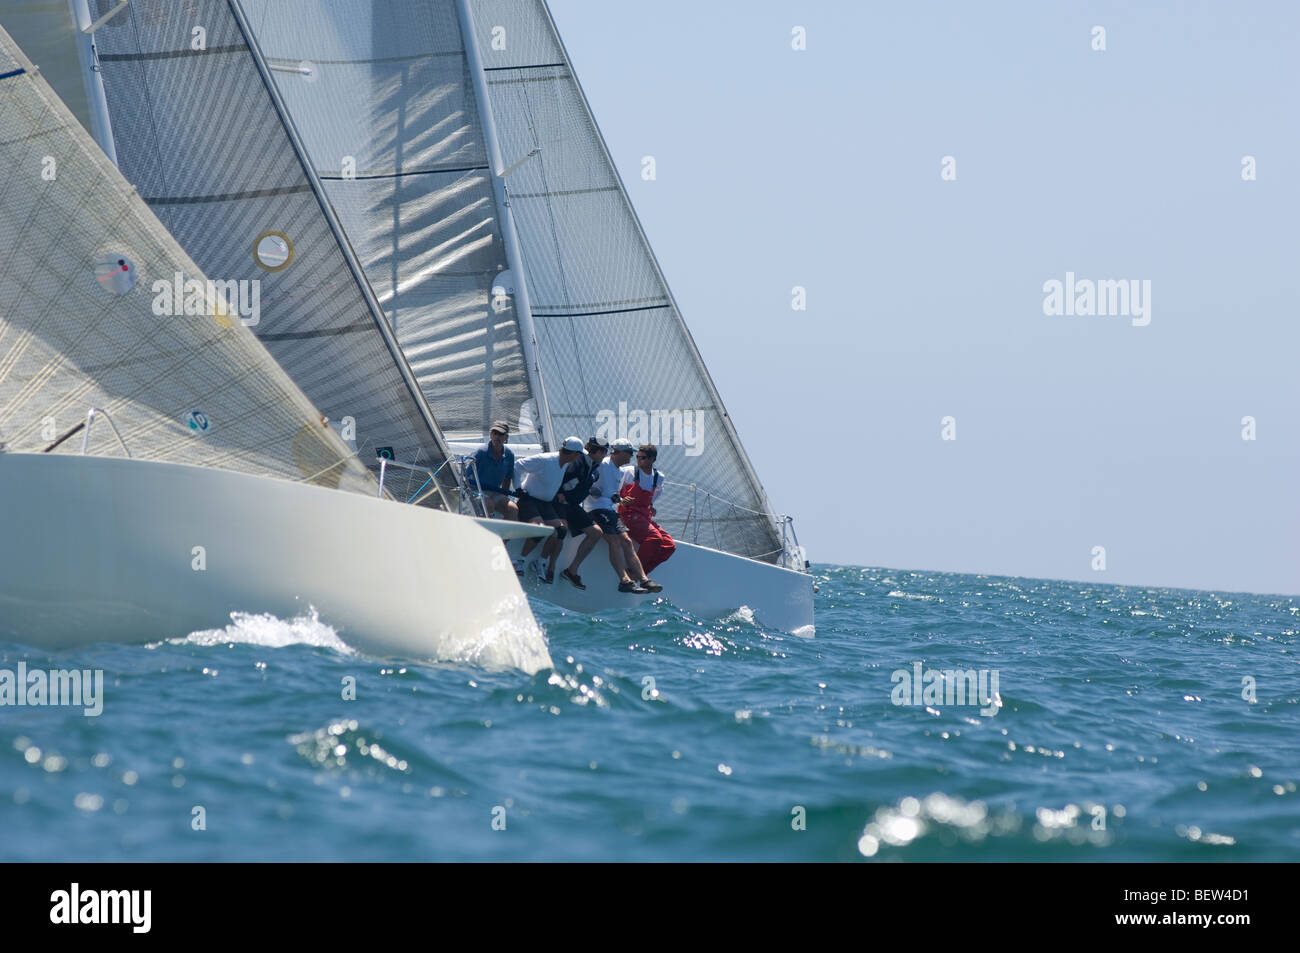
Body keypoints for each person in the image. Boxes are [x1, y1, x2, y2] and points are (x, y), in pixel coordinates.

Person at [561, 438, 662, 593]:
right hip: (596, 509)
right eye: (629, 453)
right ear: (618, 452)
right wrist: (593, 491)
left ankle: (644, 580)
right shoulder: (603, 464)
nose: (631, 458)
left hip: (608, 510)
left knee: (627, 542)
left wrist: (620, 499)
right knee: (614, 540)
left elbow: (612, 493)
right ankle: (624, 580)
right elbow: (589, 482)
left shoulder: (618, 471)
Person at [513, 436, 584, 583]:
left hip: (545, 504)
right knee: (539, 529)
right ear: (574, 454)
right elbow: (518, 465)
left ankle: (540, 562)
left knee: (561, 530)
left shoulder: (565, 463)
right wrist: (518, 488)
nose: (579, 458)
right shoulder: (545, 459)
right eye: (579, 455)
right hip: (529, 501)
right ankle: (520, 560)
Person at [617, 442, 676, 575]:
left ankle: (642, 573)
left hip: (644, 517)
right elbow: (614, 491)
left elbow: (656, 494)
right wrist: (621, 500)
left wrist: (651, 505)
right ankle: (634, 572)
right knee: (655, 538)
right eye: (637, 457)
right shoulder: (629, 472)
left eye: (642, 458)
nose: (639, 460)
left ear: (652, 459)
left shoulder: (658, 477)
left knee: (669, 545)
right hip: (628, 515)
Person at [467, 420, 517, 520]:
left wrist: (505, 496)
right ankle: (485, 533)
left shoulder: (509, 455)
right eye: (495, 433)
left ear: (506, 437)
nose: (497, 437)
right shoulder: (480, 452)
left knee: (512, 508)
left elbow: (507, 479)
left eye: (501, 434)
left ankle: (506, 535)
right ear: (490, 435)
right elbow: (464, 476)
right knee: (488, 504)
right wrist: (473, 493)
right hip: (476, 491)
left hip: (494, 492)